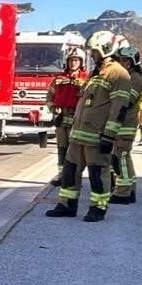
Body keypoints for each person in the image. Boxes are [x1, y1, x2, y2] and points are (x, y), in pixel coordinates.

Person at [45, 31, 131, 223]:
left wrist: (109, 135)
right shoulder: (97, 72)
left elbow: (119, 107)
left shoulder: (118, 74)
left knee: (97, 174)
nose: (91, 55)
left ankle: (98, 208)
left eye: (94, 51)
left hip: (96, 136)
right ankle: (66, 205)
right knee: (69, 172)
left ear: (106, 49)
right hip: (78, 136)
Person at [45, 49, 88, 186]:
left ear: (81, 62)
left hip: (76, 117)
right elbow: (49, 96)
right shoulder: (59, 79)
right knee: (61, 149)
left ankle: (74, 177)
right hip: (61, 118)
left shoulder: (86, 78)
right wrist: (53, 108)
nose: (73, 63)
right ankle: (61, 176)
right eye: (70, 60)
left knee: (74, 149)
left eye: (76, 60)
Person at [110, 45, 142, 205]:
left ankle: (123, 192)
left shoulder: (135, 78)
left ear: (129, 62)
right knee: (123, 157)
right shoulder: (128, 77)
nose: (119, 64)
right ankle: (130, 190)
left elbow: (127, 101)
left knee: (120, 157)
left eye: (122, 61)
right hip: (122, 123)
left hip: (125, 124)